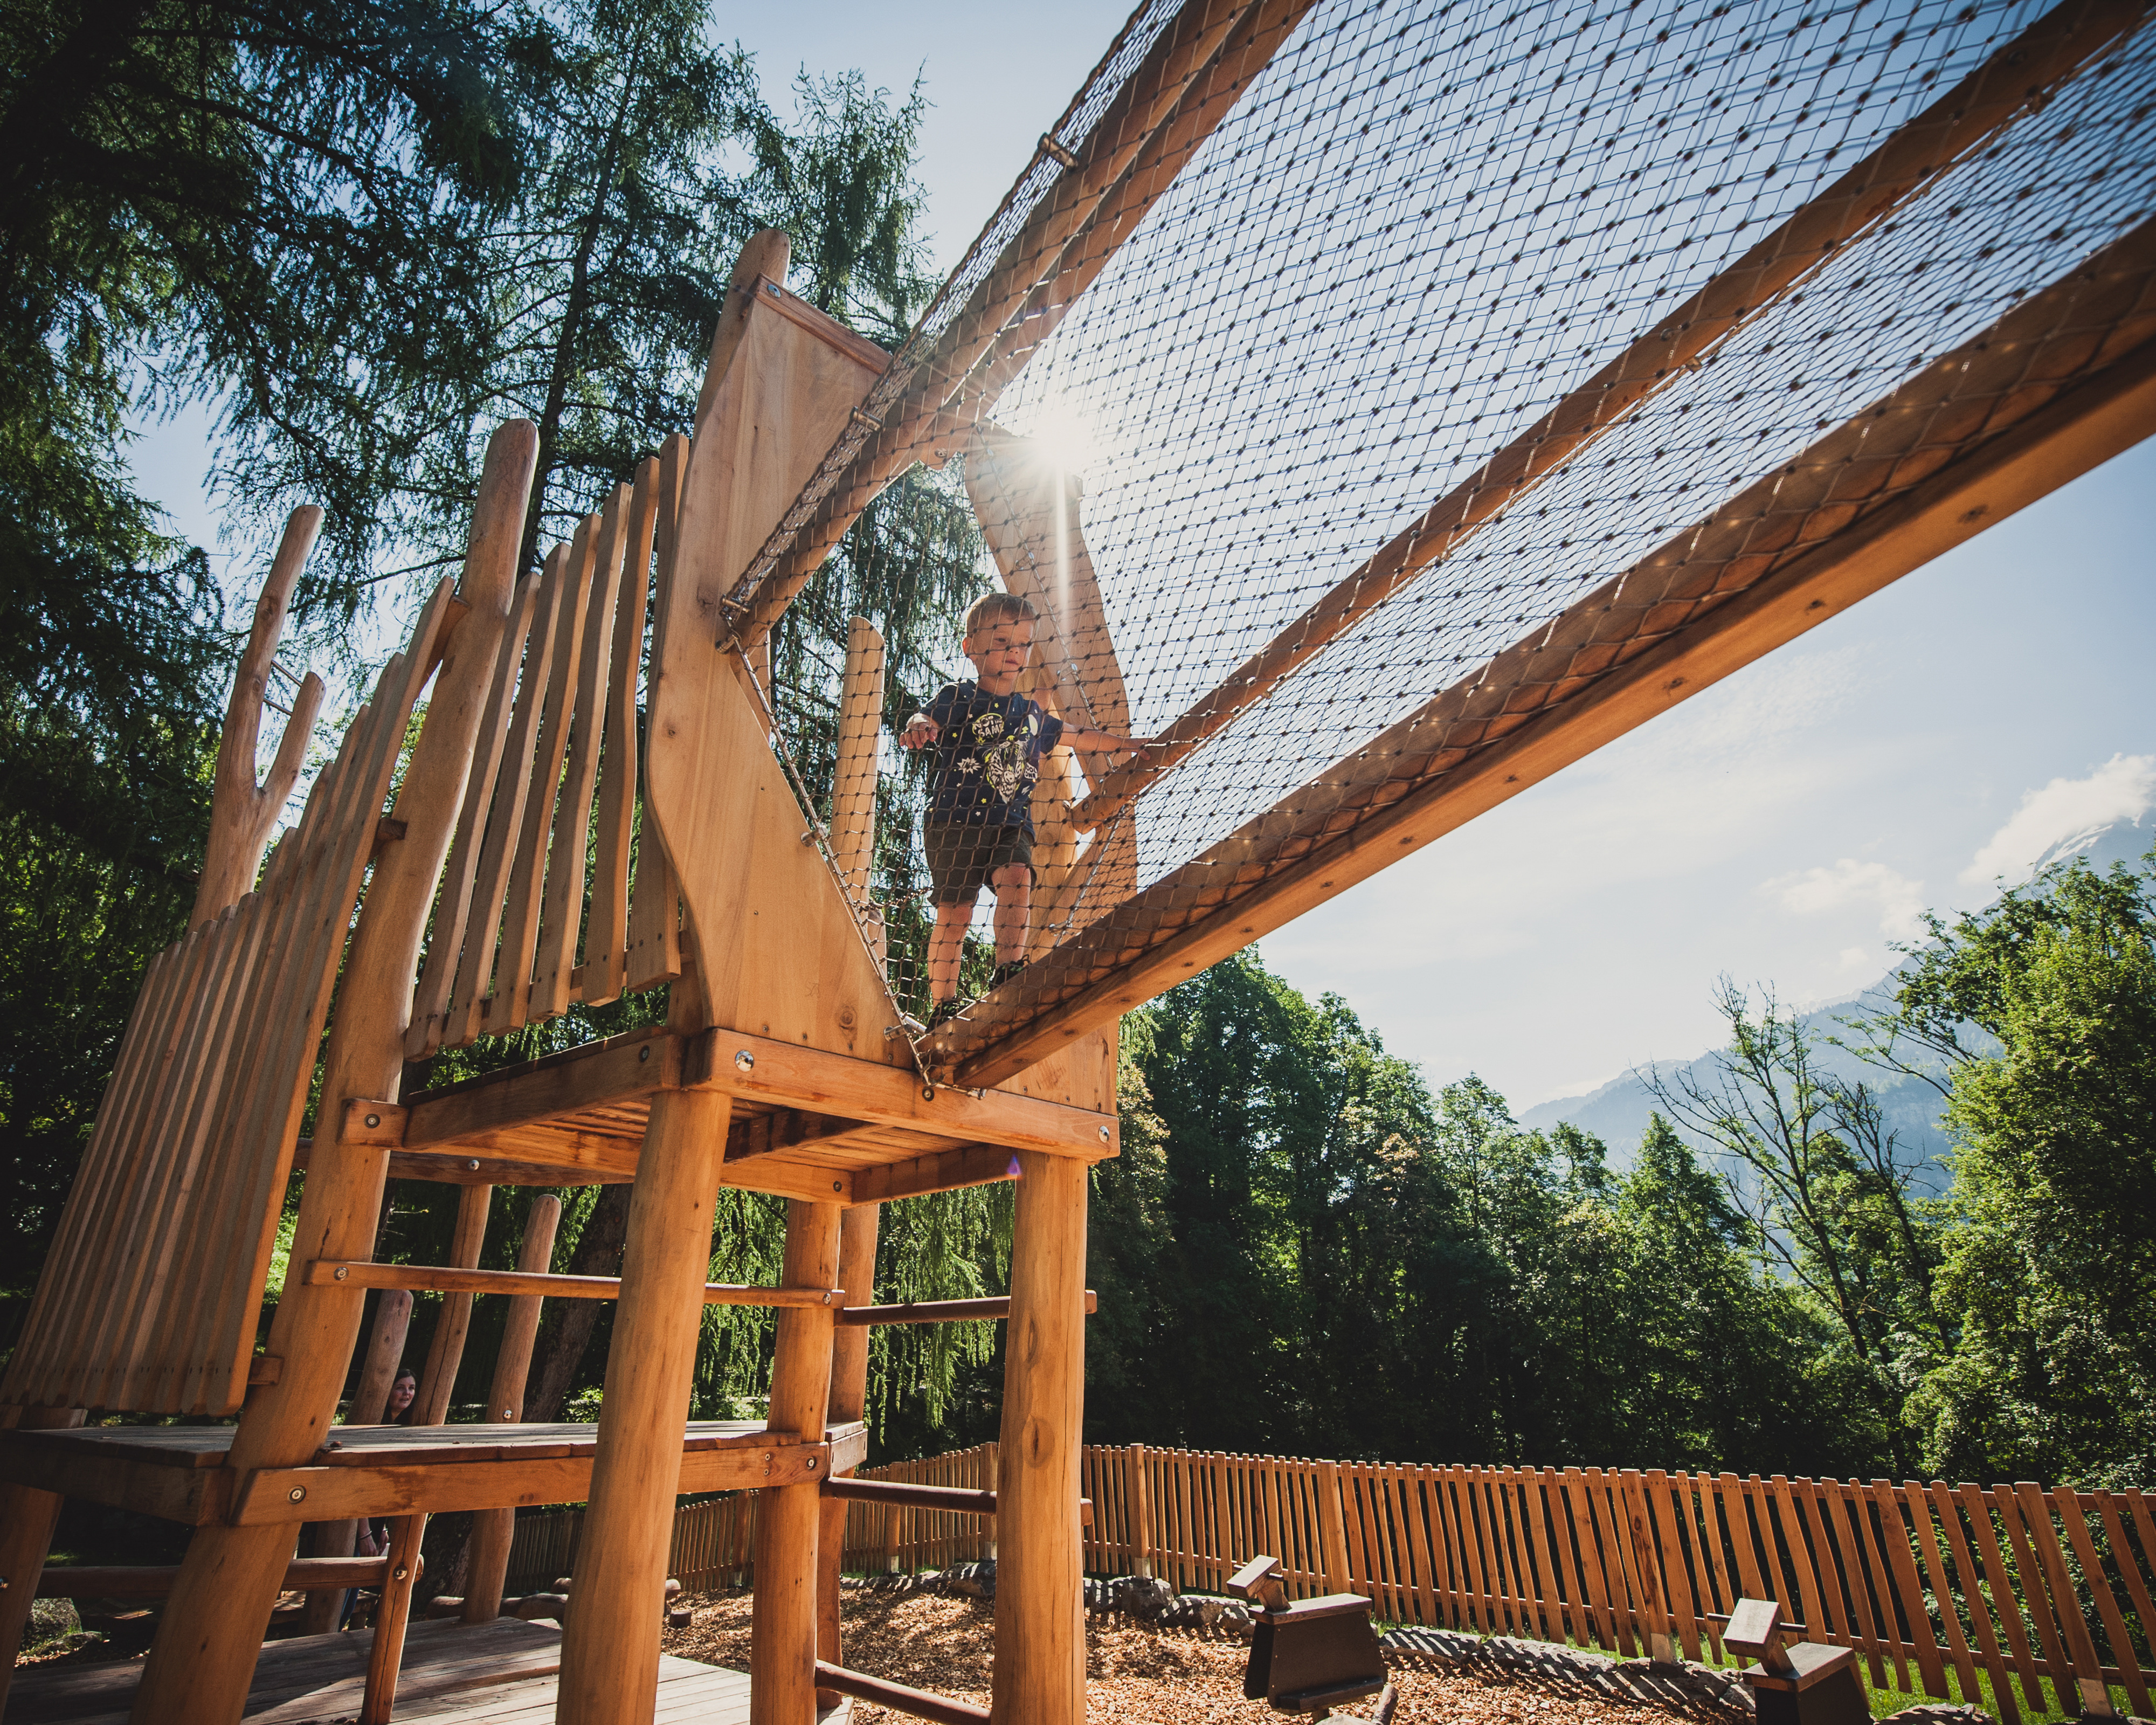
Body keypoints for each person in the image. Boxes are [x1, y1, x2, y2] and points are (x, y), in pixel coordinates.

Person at [899, 592, 1146, 1027]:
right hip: (952, 822)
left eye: (1023, 643)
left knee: (1018, 878)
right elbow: (927, 718)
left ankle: (1009, 971)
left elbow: (1081, 735)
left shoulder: (1032, 716)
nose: (1014, 652)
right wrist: (917, 726)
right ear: (971, 647)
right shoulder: (959, 696)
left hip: (1010, 823)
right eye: (1001, 641)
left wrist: (1130, 746)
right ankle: (943, 1007)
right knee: (955, 914)